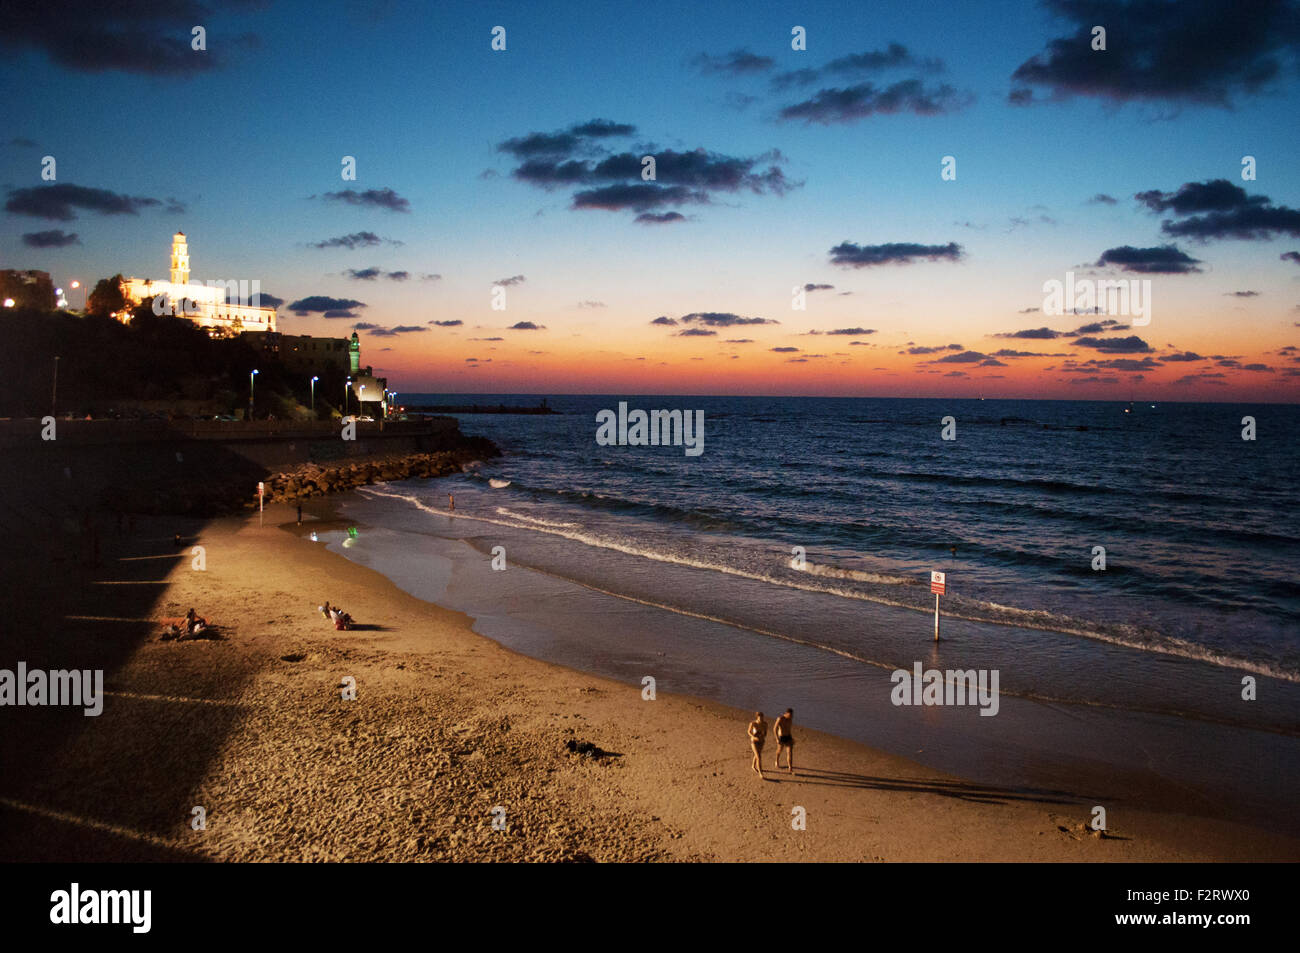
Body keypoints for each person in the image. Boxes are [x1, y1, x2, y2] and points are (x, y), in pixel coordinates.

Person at [773, 708, 795, 774]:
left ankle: (790, 768)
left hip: (788, 737)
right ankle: (776, 761)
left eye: (792, 715)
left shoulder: (790, 719)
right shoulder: (780, 719)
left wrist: (792, 738)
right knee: (779, 751)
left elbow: (789, 729)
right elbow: (774, 729)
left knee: (790, 753)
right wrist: (777, 738)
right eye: (790, 715)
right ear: (786, 713)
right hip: (781, 737)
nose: (791, 716)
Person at [748, 712, 768, 778]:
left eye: (762, 717)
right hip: (754, 741)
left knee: (757, 754)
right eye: (760, 718)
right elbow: (748, 732)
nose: (761, 719)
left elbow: (765, 733)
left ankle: (753, 766)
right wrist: (753, 737)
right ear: (757, 717)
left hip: (761, 741)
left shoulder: (765, 724)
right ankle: (760, 773)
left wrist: (762, 736)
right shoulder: (753, 723)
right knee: (759, 756)